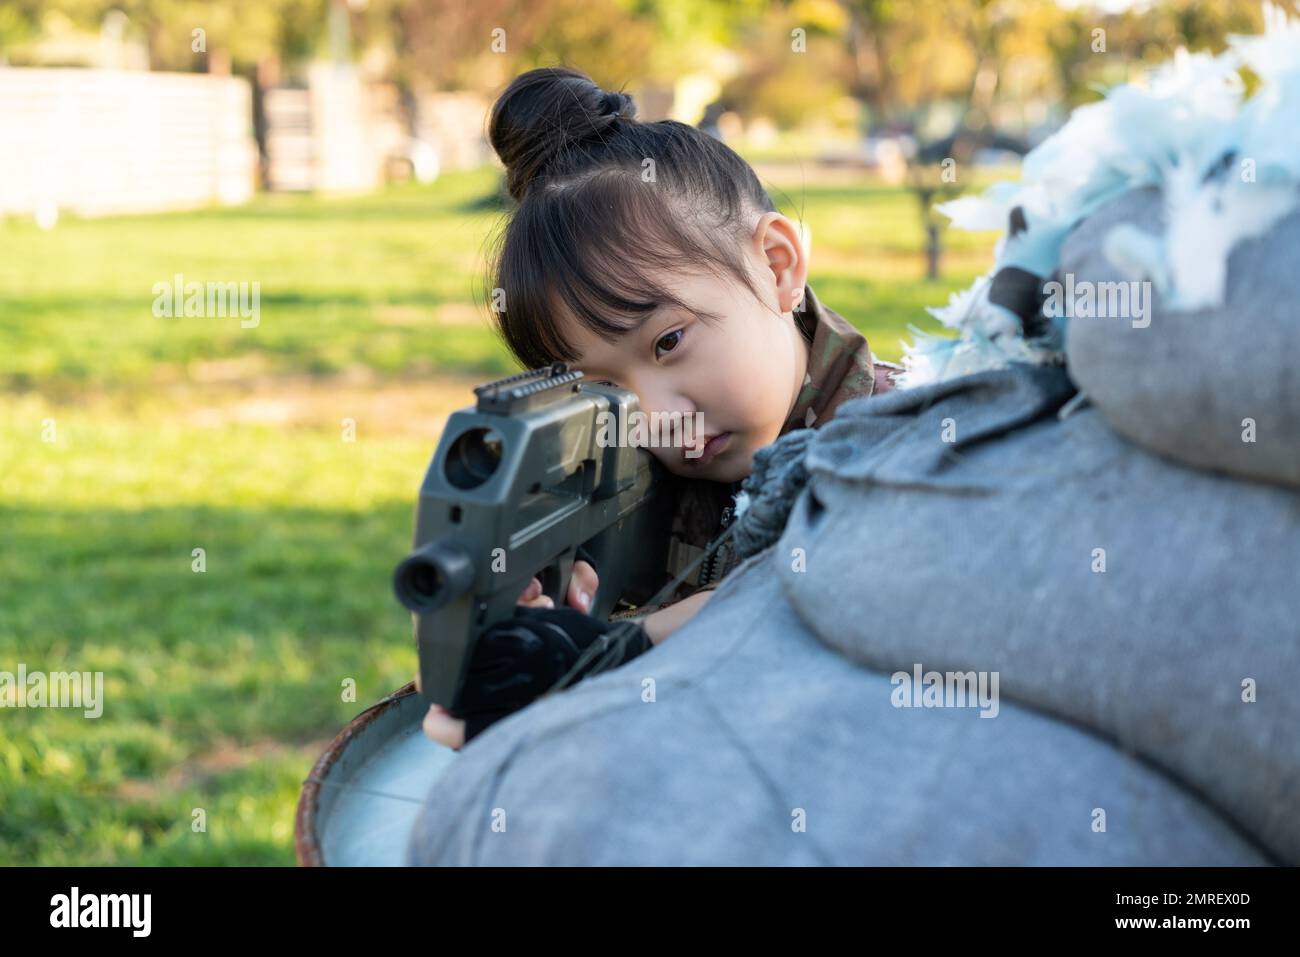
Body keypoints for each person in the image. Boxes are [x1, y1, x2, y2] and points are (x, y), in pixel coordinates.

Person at [423, 66, 900, 748]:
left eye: (668, 342)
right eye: (604, 388)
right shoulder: (632, 463)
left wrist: (617, 648)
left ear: (776, 264)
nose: (655, 416)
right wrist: (504, 629)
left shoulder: (904, 437)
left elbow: (833, 589)